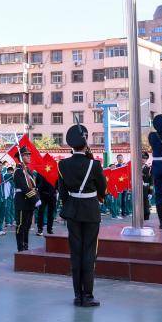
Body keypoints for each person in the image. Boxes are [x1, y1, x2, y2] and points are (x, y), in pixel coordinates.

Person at [59, 125, 106, 308]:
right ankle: (88, 295)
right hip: (91, 211)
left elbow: (62, 192)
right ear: (85, 143)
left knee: (76, 252)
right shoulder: (94, 165)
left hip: (72, 211)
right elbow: (102, 188)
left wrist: (69, 205)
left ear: (71, 144)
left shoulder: (63, 164)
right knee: (89, 252)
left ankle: (78, 295)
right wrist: (99, 196)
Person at [12, 153, 39, 252]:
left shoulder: (28, 170)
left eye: (29, 155)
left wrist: (37, 198)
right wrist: (35, 199)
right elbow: (24, 187)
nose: (29, 157)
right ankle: (20, 248)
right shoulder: (19, 171)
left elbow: (33, 186)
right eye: (26, 155)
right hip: (22, 201)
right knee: (21, 225)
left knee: (27, 226)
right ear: (21, 157)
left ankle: (25, 245)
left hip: (29, 202)